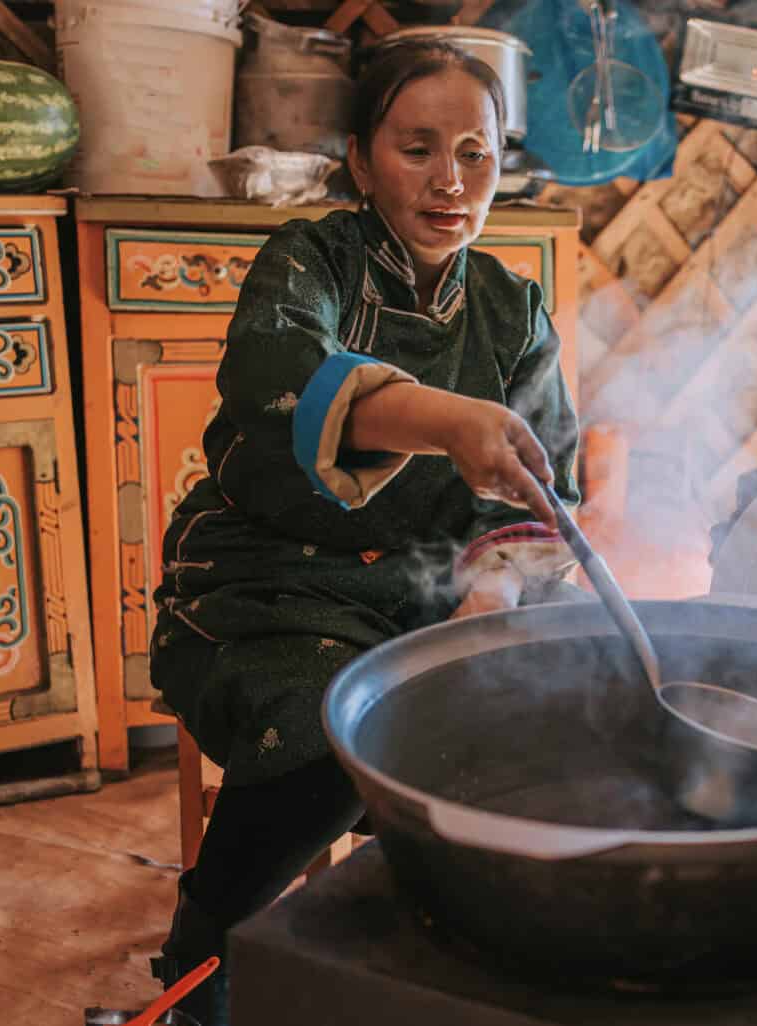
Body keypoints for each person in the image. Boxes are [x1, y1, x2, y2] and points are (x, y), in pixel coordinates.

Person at [145, 38, 580, 1025]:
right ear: (360, 159)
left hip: (431, 590)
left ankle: (427, 959)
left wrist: (490, 593)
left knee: (549, 709)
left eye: (474, 153)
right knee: (331, 725)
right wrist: (446, 420)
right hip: (270, 581)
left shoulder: (512, 308)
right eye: (417, 149)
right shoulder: (309, 261)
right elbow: (276, 372)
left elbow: (542, 492)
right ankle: (201, 962)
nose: (450, 182)